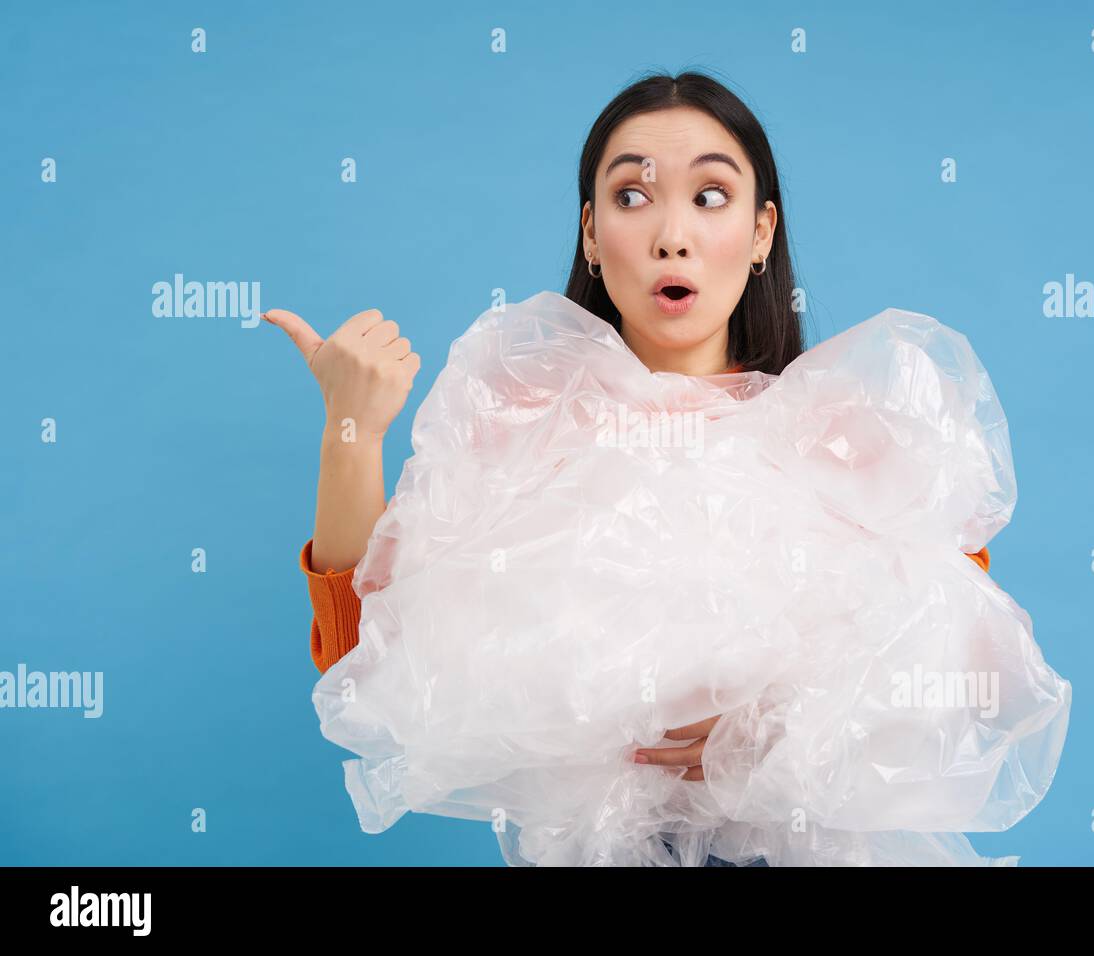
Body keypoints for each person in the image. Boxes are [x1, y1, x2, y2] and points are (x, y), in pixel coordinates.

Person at [266, 70, 999, 866]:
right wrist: (352, 431)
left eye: (710, 197)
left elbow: (961, 667)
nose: (671, 235)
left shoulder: (841, 432)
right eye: (632, 196)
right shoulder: (522, 428)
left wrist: (791, 732)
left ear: (761, 233)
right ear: (590, 233)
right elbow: (367, 673)